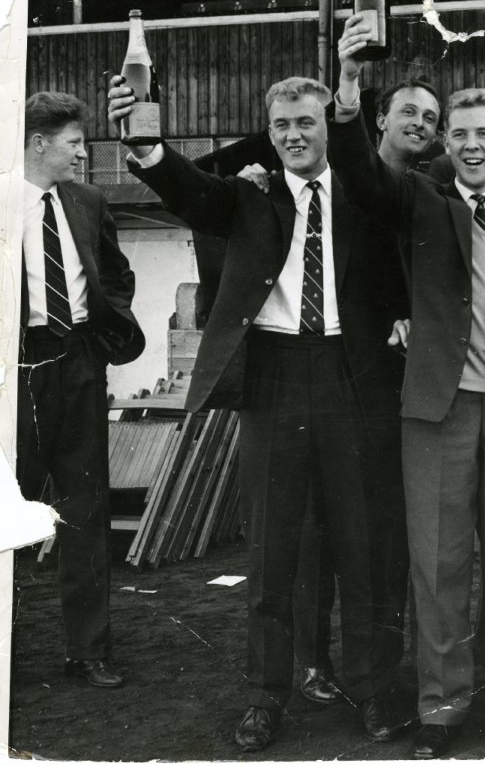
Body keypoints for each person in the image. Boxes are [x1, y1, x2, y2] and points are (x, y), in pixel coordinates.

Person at [108, 73, 408, 752]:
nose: (294, 135)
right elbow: (193, 193)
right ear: (269, 134)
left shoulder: (363, 196)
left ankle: (373, 690)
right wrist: (149, 149)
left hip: (350, 378)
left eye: (306, 121)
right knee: (271, 552)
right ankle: (264, 696)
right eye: (281, 126)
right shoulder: (249, 194)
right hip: (273, 376)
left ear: (328, 126)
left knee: (363, 550)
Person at [326, 12, 485, 760]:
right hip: (437, 413)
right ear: (446, 144)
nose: (470, 144)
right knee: (438, 571)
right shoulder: (420, 201)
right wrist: (349, 88)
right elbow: (359, 170)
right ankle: (442, 711)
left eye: (484, 133)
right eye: (457, 134)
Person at [17, 91, 145, 690]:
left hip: (79, 364)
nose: (83, 156)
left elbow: (117, 274)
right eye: (73, 145)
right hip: (15, 372)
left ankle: (87, 652)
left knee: (85, 512)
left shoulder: (88, 201)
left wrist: (103, 333)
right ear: (39, 143)